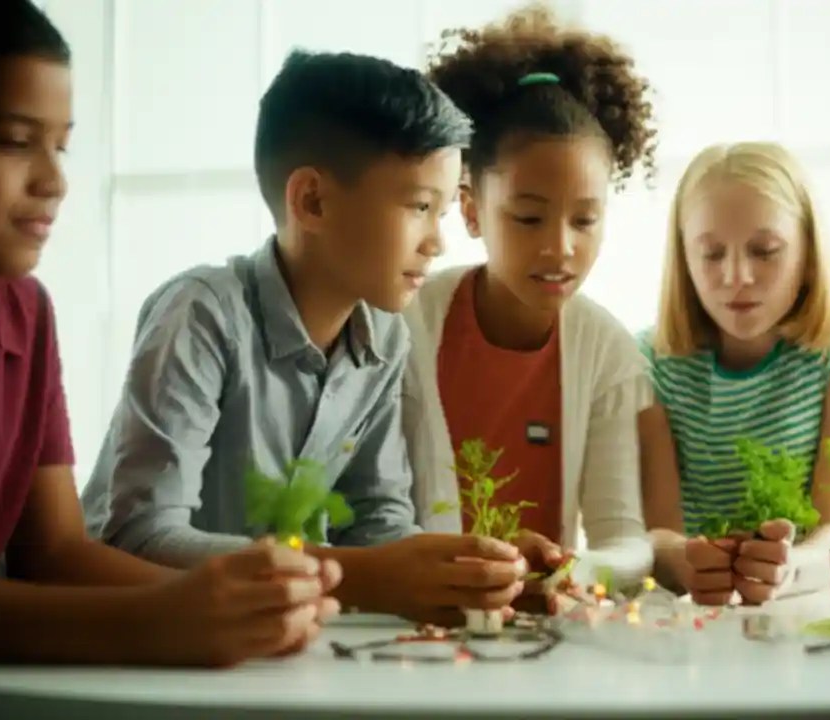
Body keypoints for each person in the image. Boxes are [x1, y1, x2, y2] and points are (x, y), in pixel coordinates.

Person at [81, 49, 526, 627]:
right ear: (312, 201)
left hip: (274, 639)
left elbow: (377, 523)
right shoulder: (202, 314)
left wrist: (473, 570)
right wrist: (361, 576)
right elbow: (141, 536)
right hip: (139, 640)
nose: (437, 242)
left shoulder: (384, 337)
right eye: (420, 206)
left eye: (441, 212)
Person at [0, 0, 339, 665]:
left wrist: (234, 602)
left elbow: (54, 552)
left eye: (61, 145)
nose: (54, 181)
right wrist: (149, 622)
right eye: (15, 142)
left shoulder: (26, 312)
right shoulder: (203, 306)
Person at [403, 3, 658, 589]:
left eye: (585, 220)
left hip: (542, 621)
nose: (560, 247)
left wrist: (575, 568)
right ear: (471, 209)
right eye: (527, 218)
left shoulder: (609, 353)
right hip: (414, 616)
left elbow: (625, 538)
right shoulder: (405, 325)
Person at [637, 142, 830, 605]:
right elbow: (660, 534)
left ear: (807, 256)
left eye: (765, 251)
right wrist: (689, 562)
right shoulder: (648, 361)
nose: (737, 276)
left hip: (798, 601)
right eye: (712, 254)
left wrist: (788, 567)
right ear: (684, 260)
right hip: (696, 610)